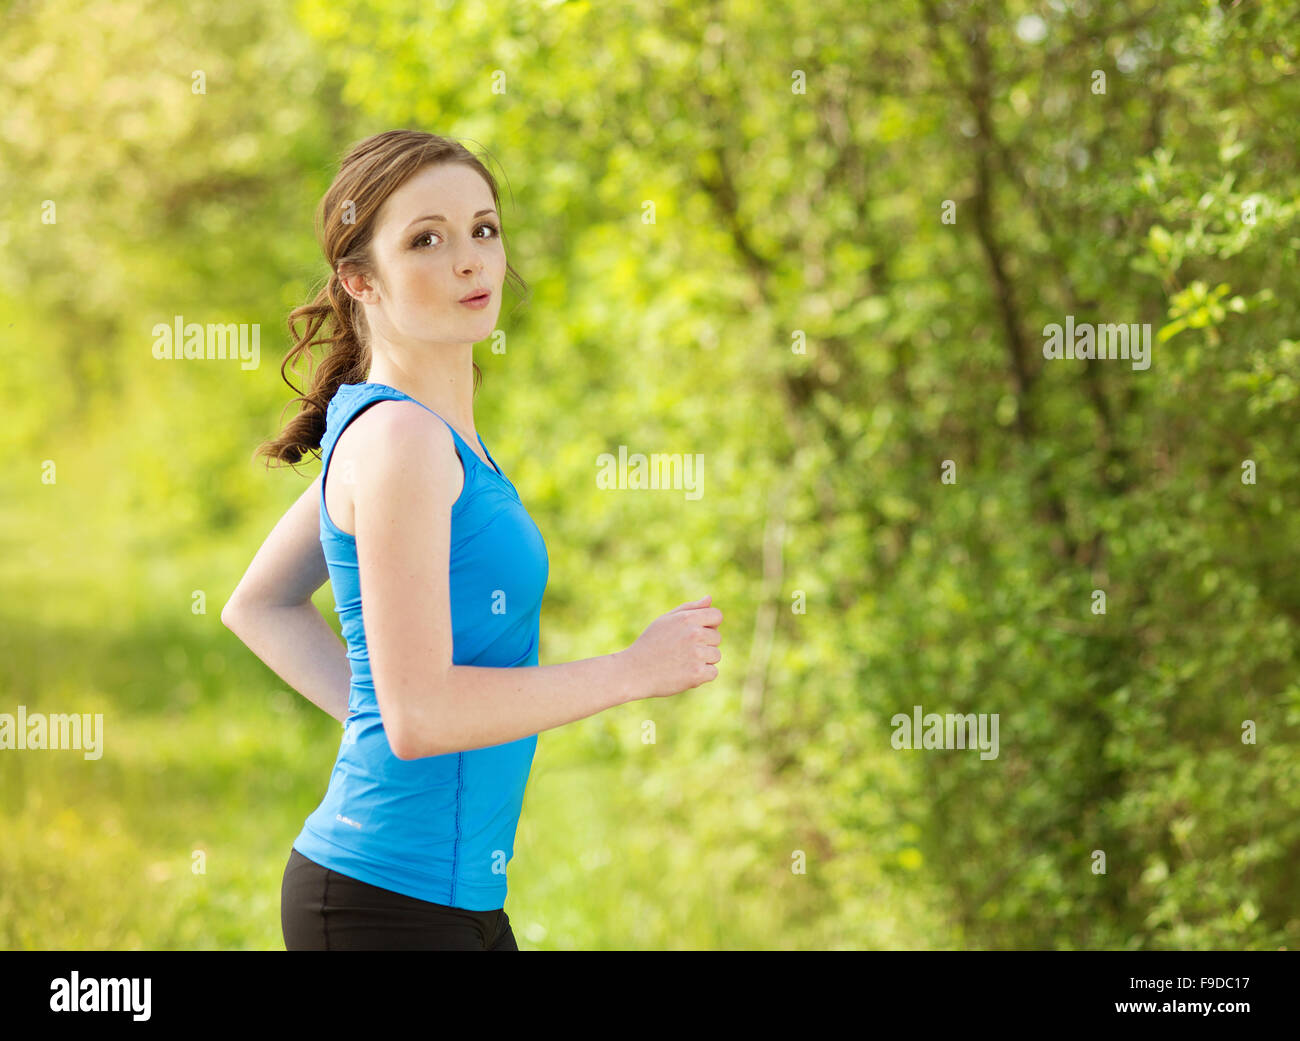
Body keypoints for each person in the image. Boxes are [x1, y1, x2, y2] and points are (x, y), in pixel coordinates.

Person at [221, 130, 723, 950]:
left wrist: (377, 716)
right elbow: (417, 717)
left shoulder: (413, 434)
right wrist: (634, 670)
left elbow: (261, 605)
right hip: (382, 904)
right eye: (427, 239)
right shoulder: (400, 443)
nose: (470, 260)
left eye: (483, 229)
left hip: (447, 900)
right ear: (361, 281)